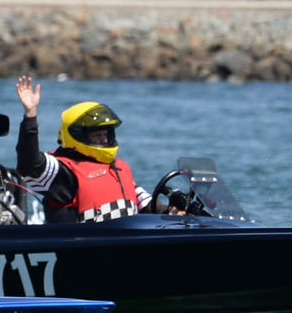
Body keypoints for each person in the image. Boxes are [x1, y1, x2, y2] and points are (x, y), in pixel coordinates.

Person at [12, 75, 179, 223]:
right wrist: (30, 117)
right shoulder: (64, 172)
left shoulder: (119, 168)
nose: (104, 138)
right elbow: (29, 165)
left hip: (125, 245)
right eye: (97, 134)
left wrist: (170, 211)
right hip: (82, 250)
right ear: (76, 135)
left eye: (106, 133)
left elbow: (146, 203)